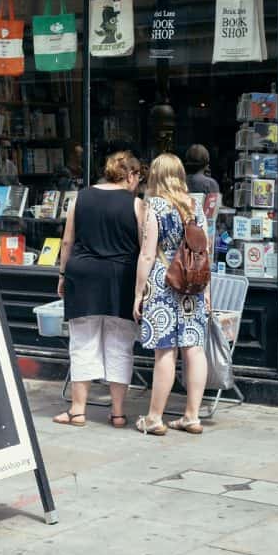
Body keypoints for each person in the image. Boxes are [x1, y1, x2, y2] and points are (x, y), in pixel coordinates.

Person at [54, 150, 142, 428]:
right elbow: (144, 248)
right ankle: (117, 413)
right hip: (121, 278)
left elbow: (67, 241)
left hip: (84, 275)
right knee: (120, 344)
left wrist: (62, 274)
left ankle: (78, 411)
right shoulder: (136, 204)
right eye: (138, 177)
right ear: (130, 175)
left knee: (82, 342)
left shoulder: (80, 198)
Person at [134, 153, 209, 435]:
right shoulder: (195, 206)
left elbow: (147, 254)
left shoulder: (155, 206)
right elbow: (204, 251)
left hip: (163, 282)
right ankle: (192, 416)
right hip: (192, 283)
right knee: (194, 348)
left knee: (165, 350)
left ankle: (155, 418)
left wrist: (138, 293)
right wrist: (208, 292)